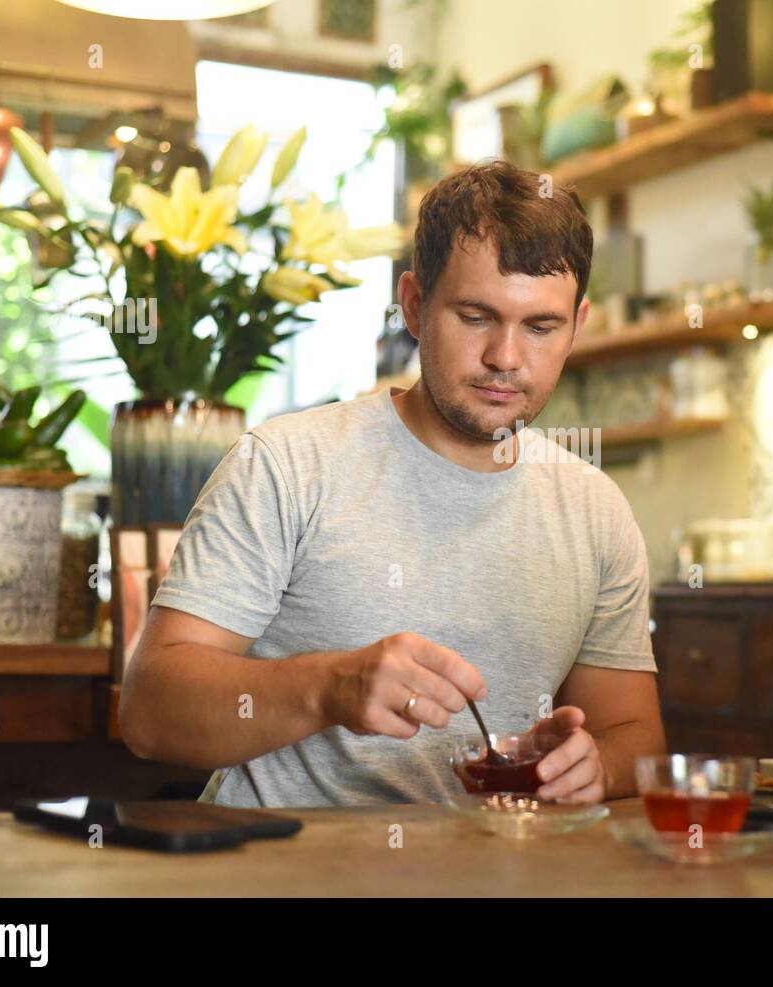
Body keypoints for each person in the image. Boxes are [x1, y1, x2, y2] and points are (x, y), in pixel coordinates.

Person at [119, 160, 666, 807]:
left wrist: (594, 763)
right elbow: (149, 711)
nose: (506, 357)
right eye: (475, 316)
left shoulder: (593, 508)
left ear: (576, 327)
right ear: (413, 305)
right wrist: (331, 686)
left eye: (540, 327)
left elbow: (636, 737)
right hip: (284, 875)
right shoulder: (286, 463)